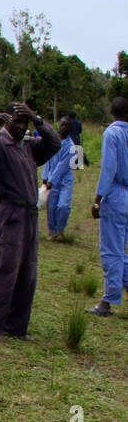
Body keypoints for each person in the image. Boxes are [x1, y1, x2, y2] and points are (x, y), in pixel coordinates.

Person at [0, 101, 60, 341]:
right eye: (16, 121)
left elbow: (55, 143)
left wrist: (37, 120)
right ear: (6, 122)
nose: (21, 126)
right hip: (11, 214)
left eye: (24, 122)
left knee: (28, 272)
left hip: (31, 215)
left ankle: (16, 326)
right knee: (7, 270)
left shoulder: (29, 146)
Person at [90, 96, 128, 317]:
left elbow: (109, 169)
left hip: (115, 194)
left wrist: (97, 199)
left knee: (111, 250)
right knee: (121, 250)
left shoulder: (112, 133)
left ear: (111, 112)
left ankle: (107, 301)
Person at [42, 118, 77, 242]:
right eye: (62, 124)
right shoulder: (53, 142)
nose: (64, 127)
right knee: (51, 207)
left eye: (67, 125)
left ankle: (60, 230)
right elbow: (48, 160)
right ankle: (52, 232)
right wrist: (44, 177)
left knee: (63, 206)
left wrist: (51, 180)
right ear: (58, 125)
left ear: (70, 128)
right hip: (51, 179)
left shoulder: (71, 147)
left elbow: (62, 165)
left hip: (64, 181)